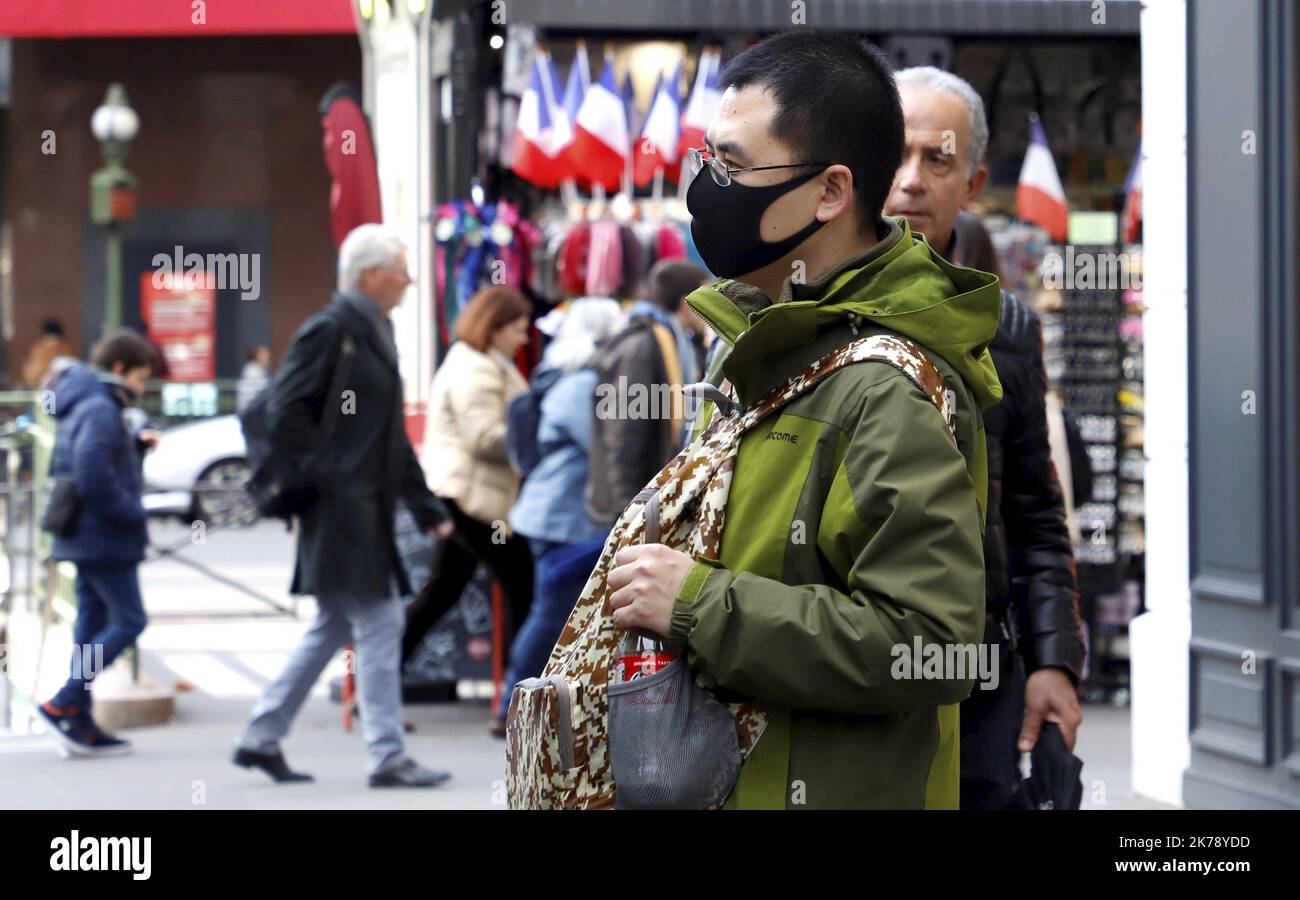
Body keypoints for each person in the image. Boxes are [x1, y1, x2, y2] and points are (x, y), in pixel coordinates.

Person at [603, 30, 1001, 809]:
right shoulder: (759, 347)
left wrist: (697, 603)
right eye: (706, 161)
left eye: (735, 165)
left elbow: (935, 648)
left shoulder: (886, 386)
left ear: (830, 192)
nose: (709, 188)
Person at [884, 65, 1086, 809]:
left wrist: (1054, 662)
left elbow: (1035, 514)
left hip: (979, 691)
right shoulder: (791, 315)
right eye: (895, 153)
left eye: (937, 160)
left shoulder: (1007, 331)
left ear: (971, 186)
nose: (910, 181)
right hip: (832, 689)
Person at [233, 224, 455, 789]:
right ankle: (386, 755)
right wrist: (335, 476)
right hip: (343, 509)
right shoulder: (333, 329)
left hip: (357, 508)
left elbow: (389, 439)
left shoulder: (369, 328)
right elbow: (285, 412)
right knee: (379, 624)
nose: (409, 279)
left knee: (334, 625)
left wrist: (426, 507)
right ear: (370, 275)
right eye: (401, 269)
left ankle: (261, 736)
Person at [403, 286, 533, 702]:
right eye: (517, 329)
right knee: (523, 589)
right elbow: (483, 437)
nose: (524, 338)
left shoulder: (477, 361)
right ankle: (521, 694)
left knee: (442, 592)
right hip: (472, 498)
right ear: (493, 328)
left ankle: (380, 681)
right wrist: (537, 436)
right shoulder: (478, 368)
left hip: (463, 495)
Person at [499, 297, 623, 735]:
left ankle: (528, 702)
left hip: (557, 514)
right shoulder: (581, 384)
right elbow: (602, 447)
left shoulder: (569, 376)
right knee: (550, 611)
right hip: (559, 517)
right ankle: (511, 704)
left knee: (555, 609)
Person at [37, 328, 158, 756]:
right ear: (120, 369)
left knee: (89, 626)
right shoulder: (101, 407)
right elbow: (92, 472)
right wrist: (131, 512)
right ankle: (64, 700)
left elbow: (93, 461)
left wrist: (136, 450)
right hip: (102, 536)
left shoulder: (82, 401)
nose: (142, 389)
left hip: (83, 533)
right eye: (141, 378)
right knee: (129, 620)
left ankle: (80, 721)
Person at [585, 260, 709, 529]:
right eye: (705, 297)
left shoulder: (677, 342)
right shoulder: (643, 345)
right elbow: (624, 432)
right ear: (686, 302)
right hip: (629, 505)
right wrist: (627, 513)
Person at [22, 318, 76, 388]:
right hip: (65, 387)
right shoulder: (66, 347)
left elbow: (32, 373)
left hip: (44, 387)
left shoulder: (40, 348)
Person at [236, 344, 272, 413]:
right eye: (263, 353)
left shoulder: (260, 370)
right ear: (257, 356)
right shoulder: (252, 372)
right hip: (251, 413)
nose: (267, 355)